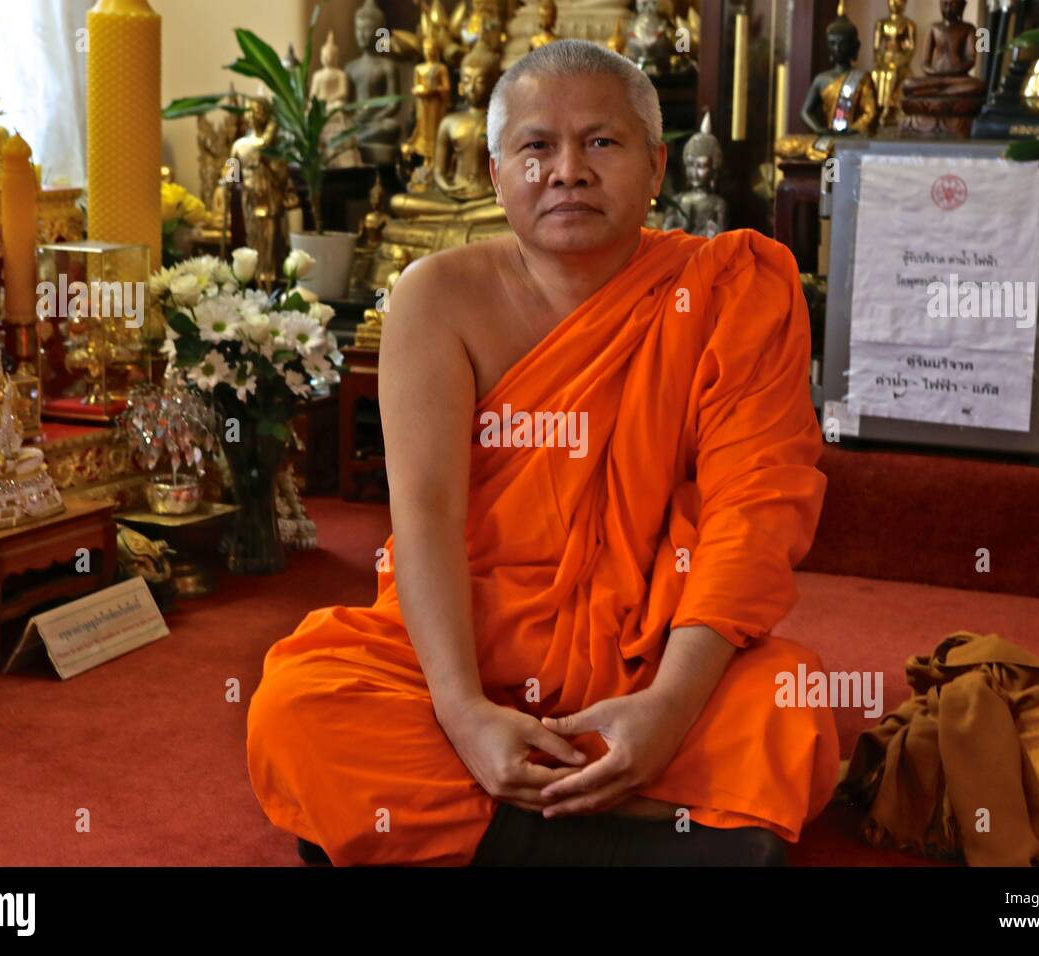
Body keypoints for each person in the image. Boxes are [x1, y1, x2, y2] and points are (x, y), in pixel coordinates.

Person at [246, 38, 839, 867]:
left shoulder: (734, 287)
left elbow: (755, 511)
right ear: (496, 176)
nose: (568, 170)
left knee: (787, 706)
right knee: (299, 707)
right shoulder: (436, 299)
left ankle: (493, 829)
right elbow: (425, 515)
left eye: (602, 142)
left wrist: (668, 708)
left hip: (654, 645)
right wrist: (462, 712)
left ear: (658, 166)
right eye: (536, 147)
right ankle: (628, 832)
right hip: (471, 643)